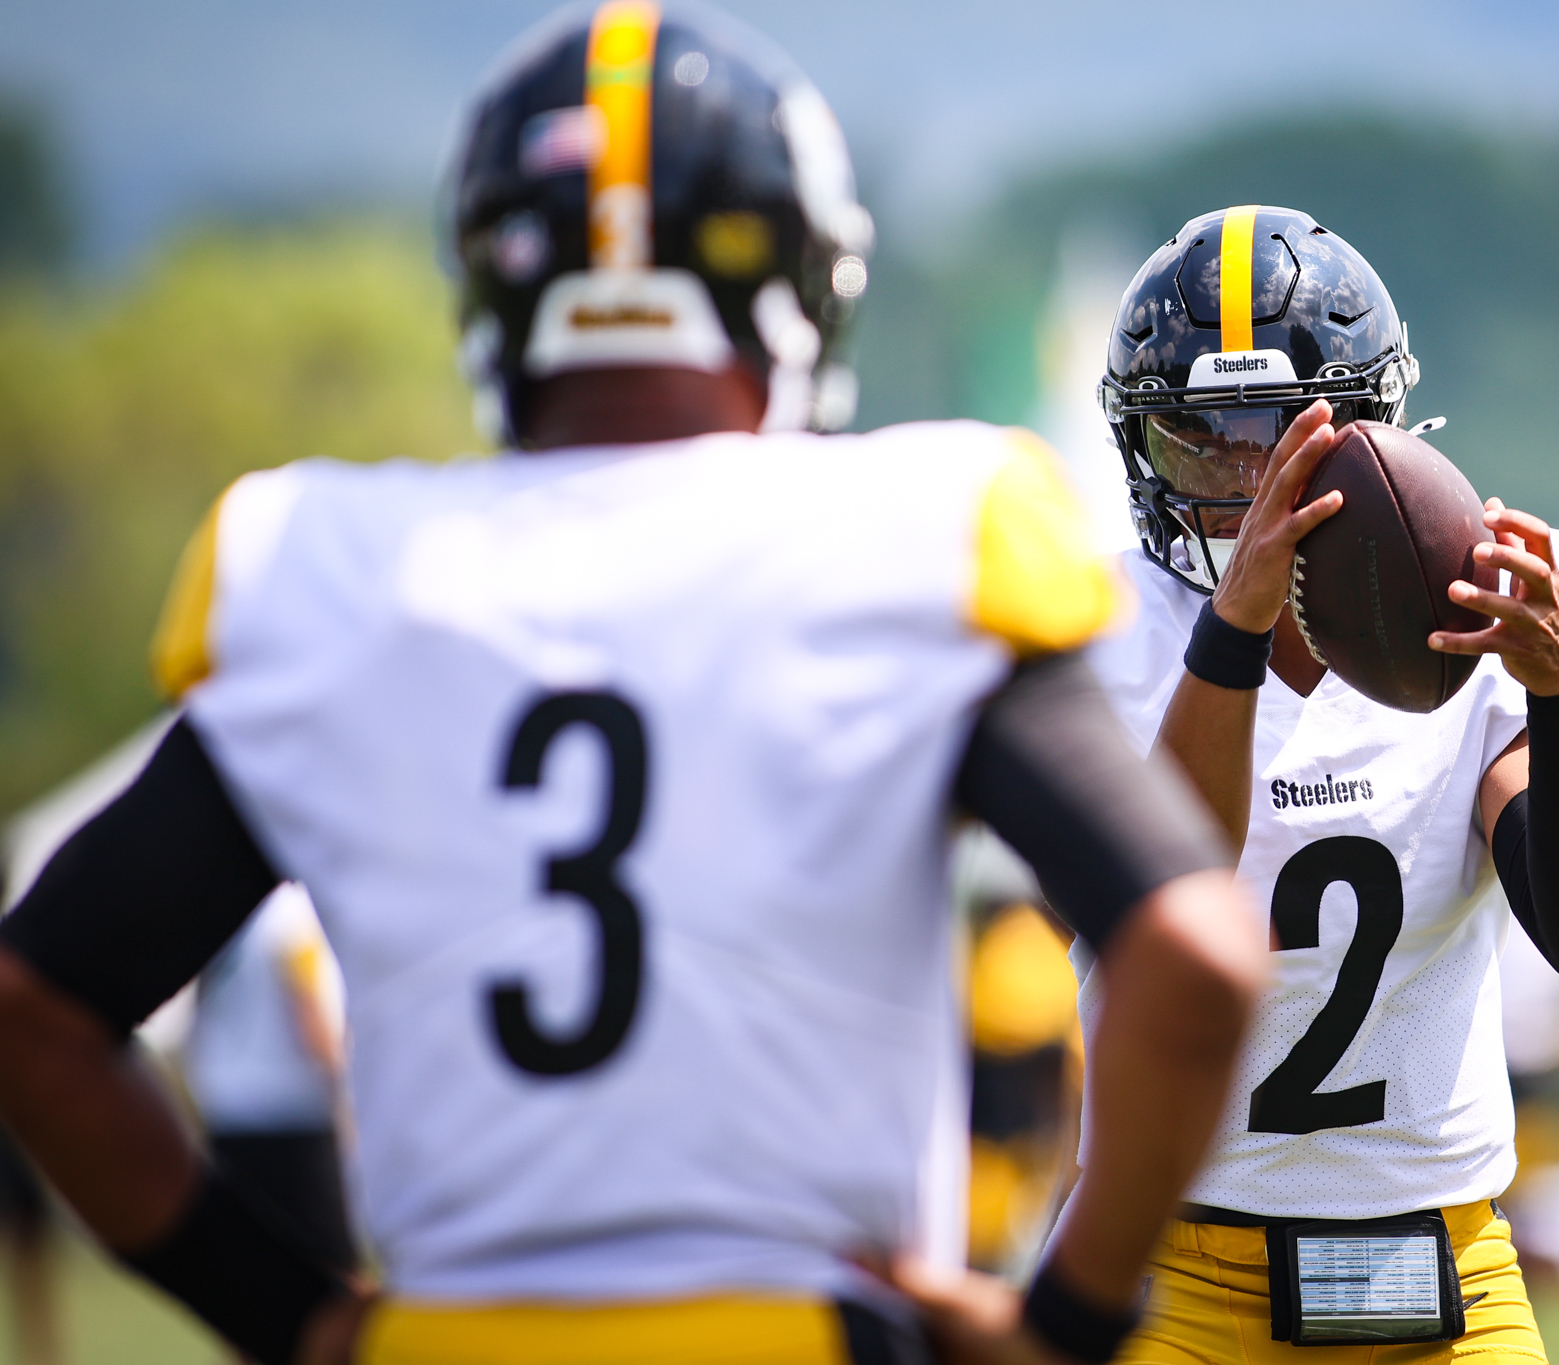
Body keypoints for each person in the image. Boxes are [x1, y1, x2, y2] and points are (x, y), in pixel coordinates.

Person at [0, 11, 1266, 1365]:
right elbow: (1194, 957)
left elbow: (36, 1014)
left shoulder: (335, 574)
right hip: (802, 1333)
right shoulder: (920, 528)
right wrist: (1069, 1324)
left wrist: (293, 1318)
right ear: (803, 276)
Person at [1072, 205, 1559, 1364]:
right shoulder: (1101, 632)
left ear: (1374, 434)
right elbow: (1157, 900)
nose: (1248, 483)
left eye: (1282, 437)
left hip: (1445, 1264)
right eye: (1202, 440)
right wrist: (1231, 633)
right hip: (1173, 1264)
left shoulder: (1475, 610)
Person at [184, 883, 358, 1281]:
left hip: (230, 1112)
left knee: (251, 1283)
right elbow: (311, 1014)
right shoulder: (292, 913)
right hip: (292, 1116)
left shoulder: (234, 911)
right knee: (338, 1279)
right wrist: (348, 1102)